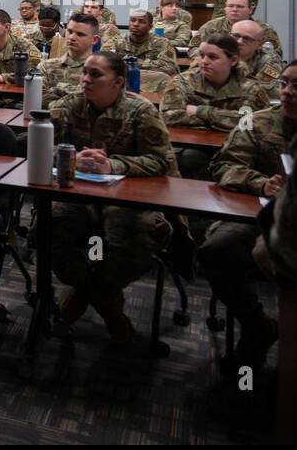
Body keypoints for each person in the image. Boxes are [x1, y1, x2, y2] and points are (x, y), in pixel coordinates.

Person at [46, 50, 180, 344]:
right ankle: (108, 306)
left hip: (127, 196)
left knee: (133, 234)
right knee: (50, 226)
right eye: (84, 73)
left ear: (118, 82)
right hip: (79, 191)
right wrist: (70, 157)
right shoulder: (70, 105)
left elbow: (161, 162)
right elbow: (44, 148)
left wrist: (113, 164)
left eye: (95, 75)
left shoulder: (141, 111)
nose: (86, 80)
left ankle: (84, 297)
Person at [200, 61, 295, 368]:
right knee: (217, 249)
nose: (288, 92)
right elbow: (224, 165)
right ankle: (256, 324)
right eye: (284, 84)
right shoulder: (258, 122)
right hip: (257, 212)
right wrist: (261, 183)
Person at [160, 33, 272, 179]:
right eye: (201, 55)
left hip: (237, 149)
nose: (204, 61)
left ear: (233, 60)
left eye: (212, 57)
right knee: (189, 158)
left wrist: (202, 112)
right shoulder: (183, 81)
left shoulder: (251, 88)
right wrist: (227, 119)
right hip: (192, 144)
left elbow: (251, 123)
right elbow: (169, 116)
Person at [39, 13, 100, 106]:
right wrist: (81, 93)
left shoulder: (102, 69)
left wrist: (57, 89)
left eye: (80, 34)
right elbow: (41, 101)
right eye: (70, 32)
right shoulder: (46, 66)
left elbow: (99, 101)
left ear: (94, 40)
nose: (72, 37)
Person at [114, 9, 179, 91]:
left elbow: (169, 67)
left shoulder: (162, 43)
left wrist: (134, 63)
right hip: (123, 81)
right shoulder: (117, 41)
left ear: (150, 27)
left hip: (152, 82)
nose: (135, 24)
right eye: (132, 20)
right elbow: (106, 62)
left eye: (141, 22)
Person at [190, 0, 281, 52]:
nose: (234, 9)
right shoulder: (212, 26)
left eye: (240, 6)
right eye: (230, 6)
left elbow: (276, 53)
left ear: (250, 10)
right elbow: (193, 47)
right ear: (225, 9)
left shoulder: (263, 29)